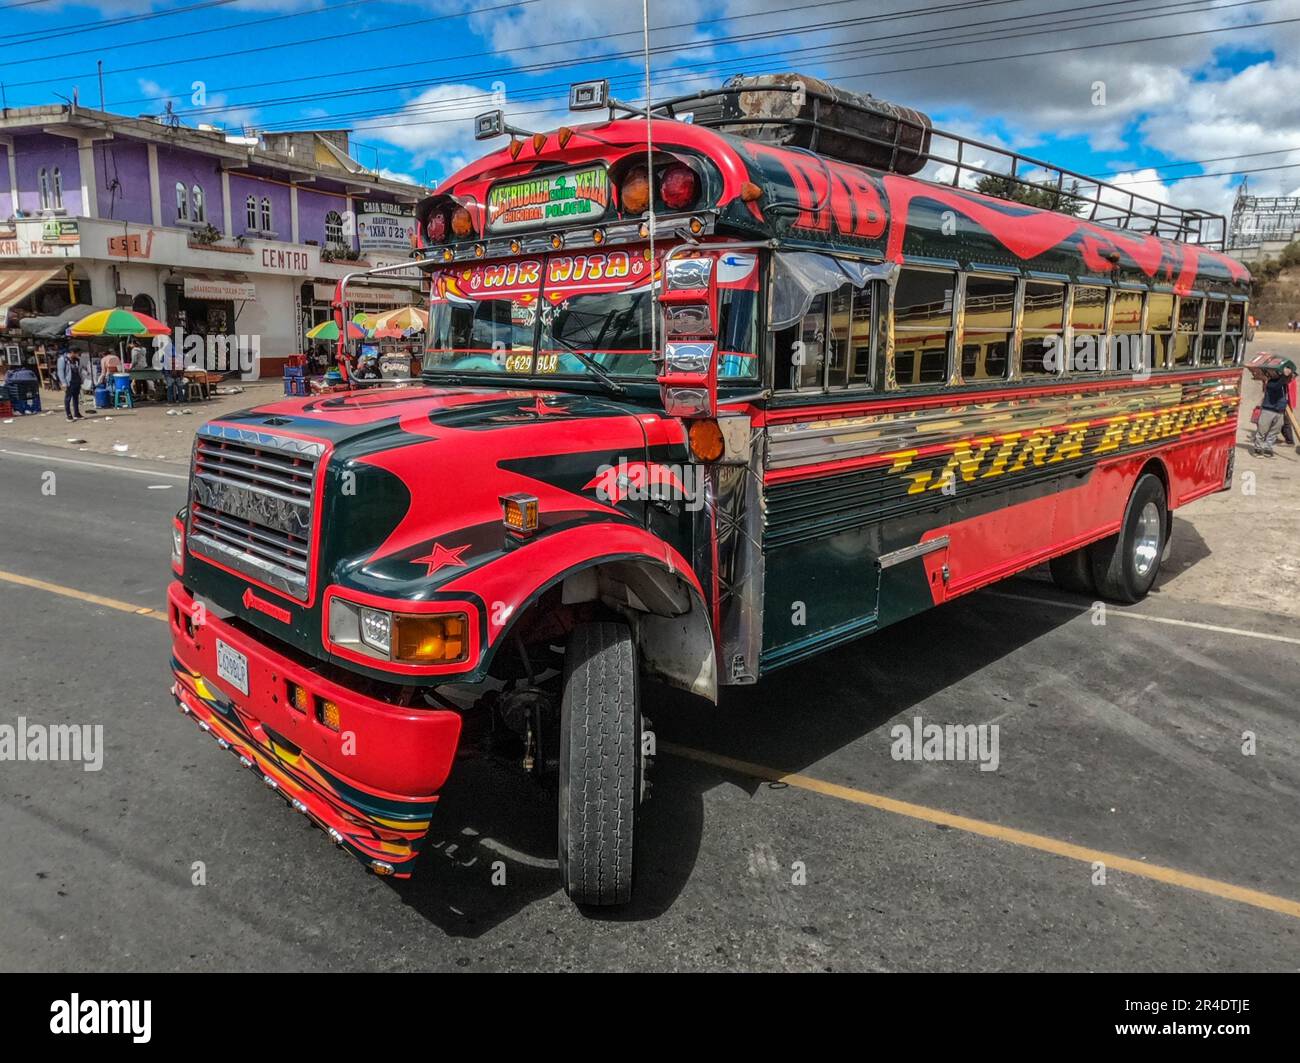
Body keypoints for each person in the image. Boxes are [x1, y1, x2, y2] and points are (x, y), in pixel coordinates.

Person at [1252, 366, 1294, 457]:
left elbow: (1291, 378)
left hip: (1280, 412)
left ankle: (1268, 448)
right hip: (1268, 410)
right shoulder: (1272, 382)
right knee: (1262, 430)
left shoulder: (1284, 384)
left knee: (1275, 431)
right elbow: (1276, 386)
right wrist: (1284, 376)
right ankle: (1258, 449)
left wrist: (1289, 374)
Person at [57, 346, 84, 421]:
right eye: (77, 353)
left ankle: (76, 413)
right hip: (69, 382)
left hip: (76, 381)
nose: (79, 354)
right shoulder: (63, 359)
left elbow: (79, 370)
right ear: (72, 352)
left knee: (76, 398)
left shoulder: (76, 360)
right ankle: (68, 415)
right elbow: (60, 372)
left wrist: (81, 380)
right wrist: (63, 383)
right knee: (68, 398)